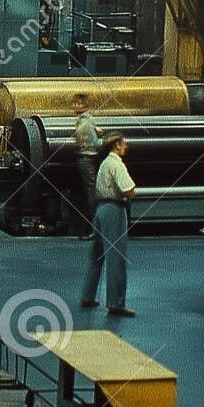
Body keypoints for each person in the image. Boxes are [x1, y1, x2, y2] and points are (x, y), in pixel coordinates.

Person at [80, 132, 136, 318]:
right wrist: (132, 193)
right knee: (116, 258)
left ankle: (88, 296)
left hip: (100, 210)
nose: (126, 146)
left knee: (96, 256)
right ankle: (116, 304)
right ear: (117, 145)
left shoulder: (104, 163)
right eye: (124, 143)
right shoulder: (117, 165)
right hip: (114, 210)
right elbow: (128, 190)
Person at [70, 93, 101, 239]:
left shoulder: (86, 122)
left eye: (77, 103)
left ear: (84, 105)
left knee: (91, 193)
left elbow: (94, 143)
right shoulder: (83, 120)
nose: (74, 106)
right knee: (87, 193)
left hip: (86, 158)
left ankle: (95, 229)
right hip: (83, 157)